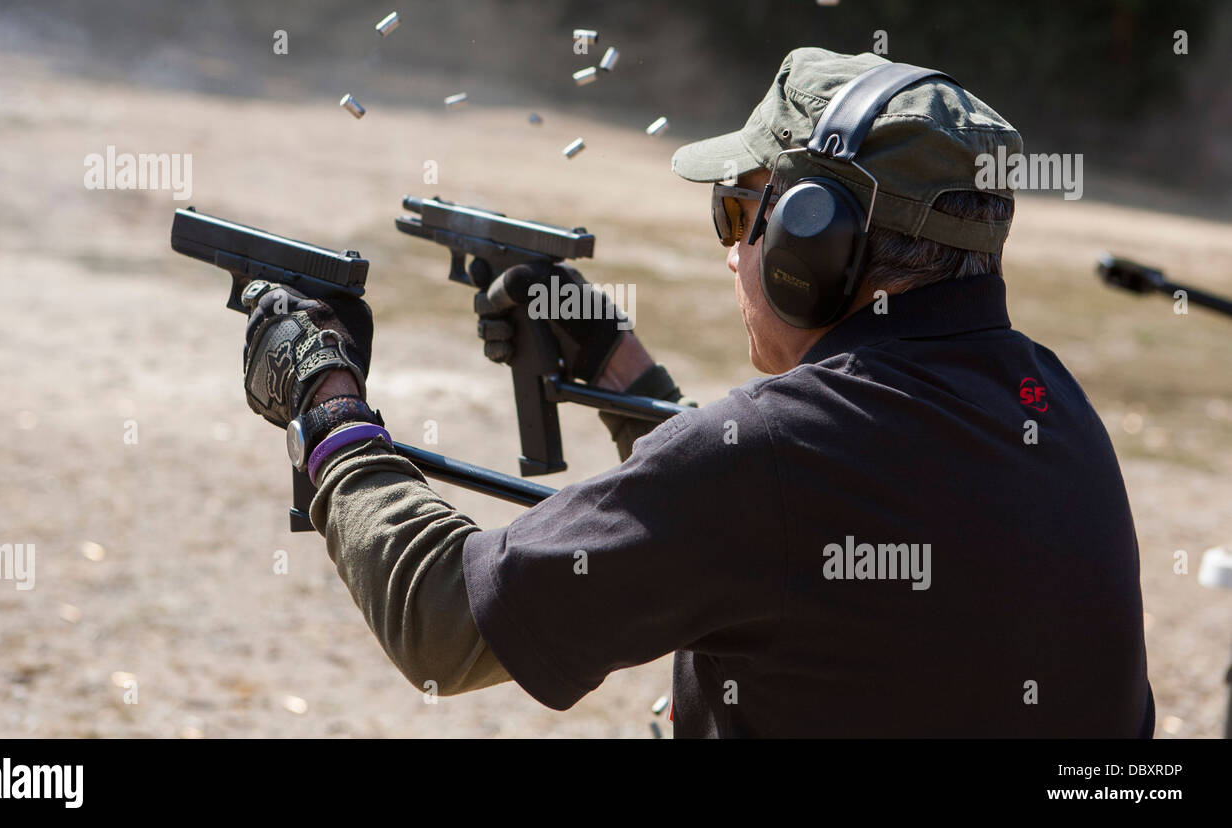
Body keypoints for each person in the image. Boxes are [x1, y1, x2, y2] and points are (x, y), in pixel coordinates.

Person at [239, 47, 1154, 737]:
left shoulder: (774, 460)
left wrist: (323, 396)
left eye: (738, 210)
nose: (728, 248)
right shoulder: (1052, 406)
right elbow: (778, 538)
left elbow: (440, 620)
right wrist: (616, 366)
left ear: (814, 241)